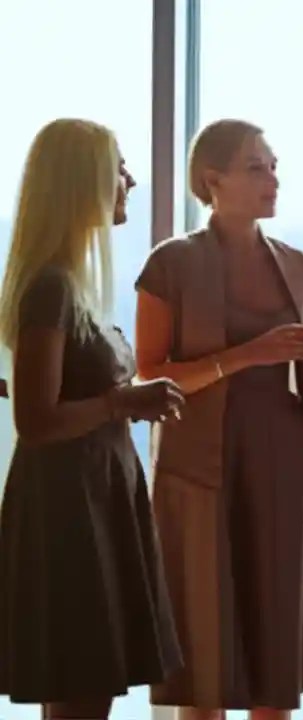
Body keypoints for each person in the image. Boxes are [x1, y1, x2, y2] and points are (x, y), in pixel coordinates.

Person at [134, 119, 303, 719]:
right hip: (199, 472)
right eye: (256, 168)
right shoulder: (170, 264)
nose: (272, 179)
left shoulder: (299, 266)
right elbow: (150, 376)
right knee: (206, 667)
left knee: (274, 665)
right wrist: (250, 354)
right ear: (213, 180)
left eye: (274, 167)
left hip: (279, 469)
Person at [0, 118, 184, 719]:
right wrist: (124, 403)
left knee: (79, 686)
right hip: (71, 507)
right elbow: (37, 421)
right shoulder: (53, 289)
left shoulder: (67, 285)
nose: (130, 180)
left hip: (91, 495)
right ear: (82, 182)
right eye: (119, 167)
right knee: (82, 688)